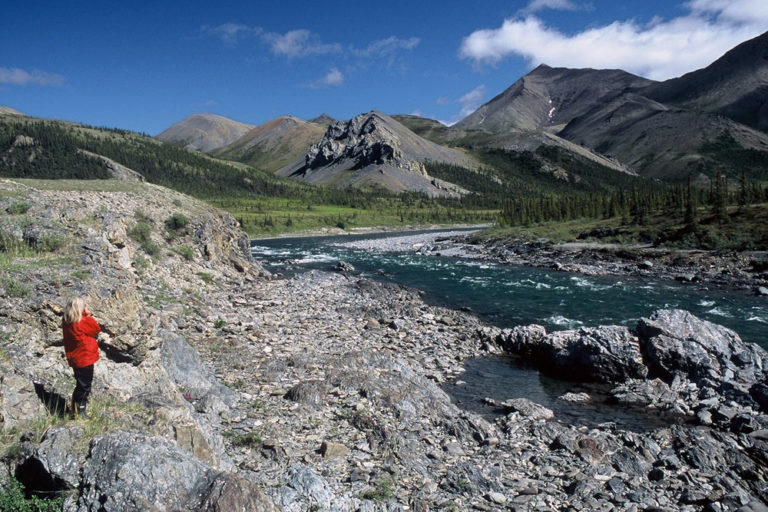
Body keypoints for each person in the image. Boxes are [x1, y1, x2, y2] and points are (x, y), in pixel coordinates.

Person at [61, 297, 101, 419]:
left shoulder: (67, 322)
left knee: (80, 384)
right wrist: (88, 315)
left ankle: (75, 409)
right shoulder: (83, 321)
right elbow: (96, 329)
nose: (87, 308)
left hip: (76, 358)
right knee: (85, 386)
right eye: (85, 307)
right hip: (85, 357)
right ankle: (80, 412)